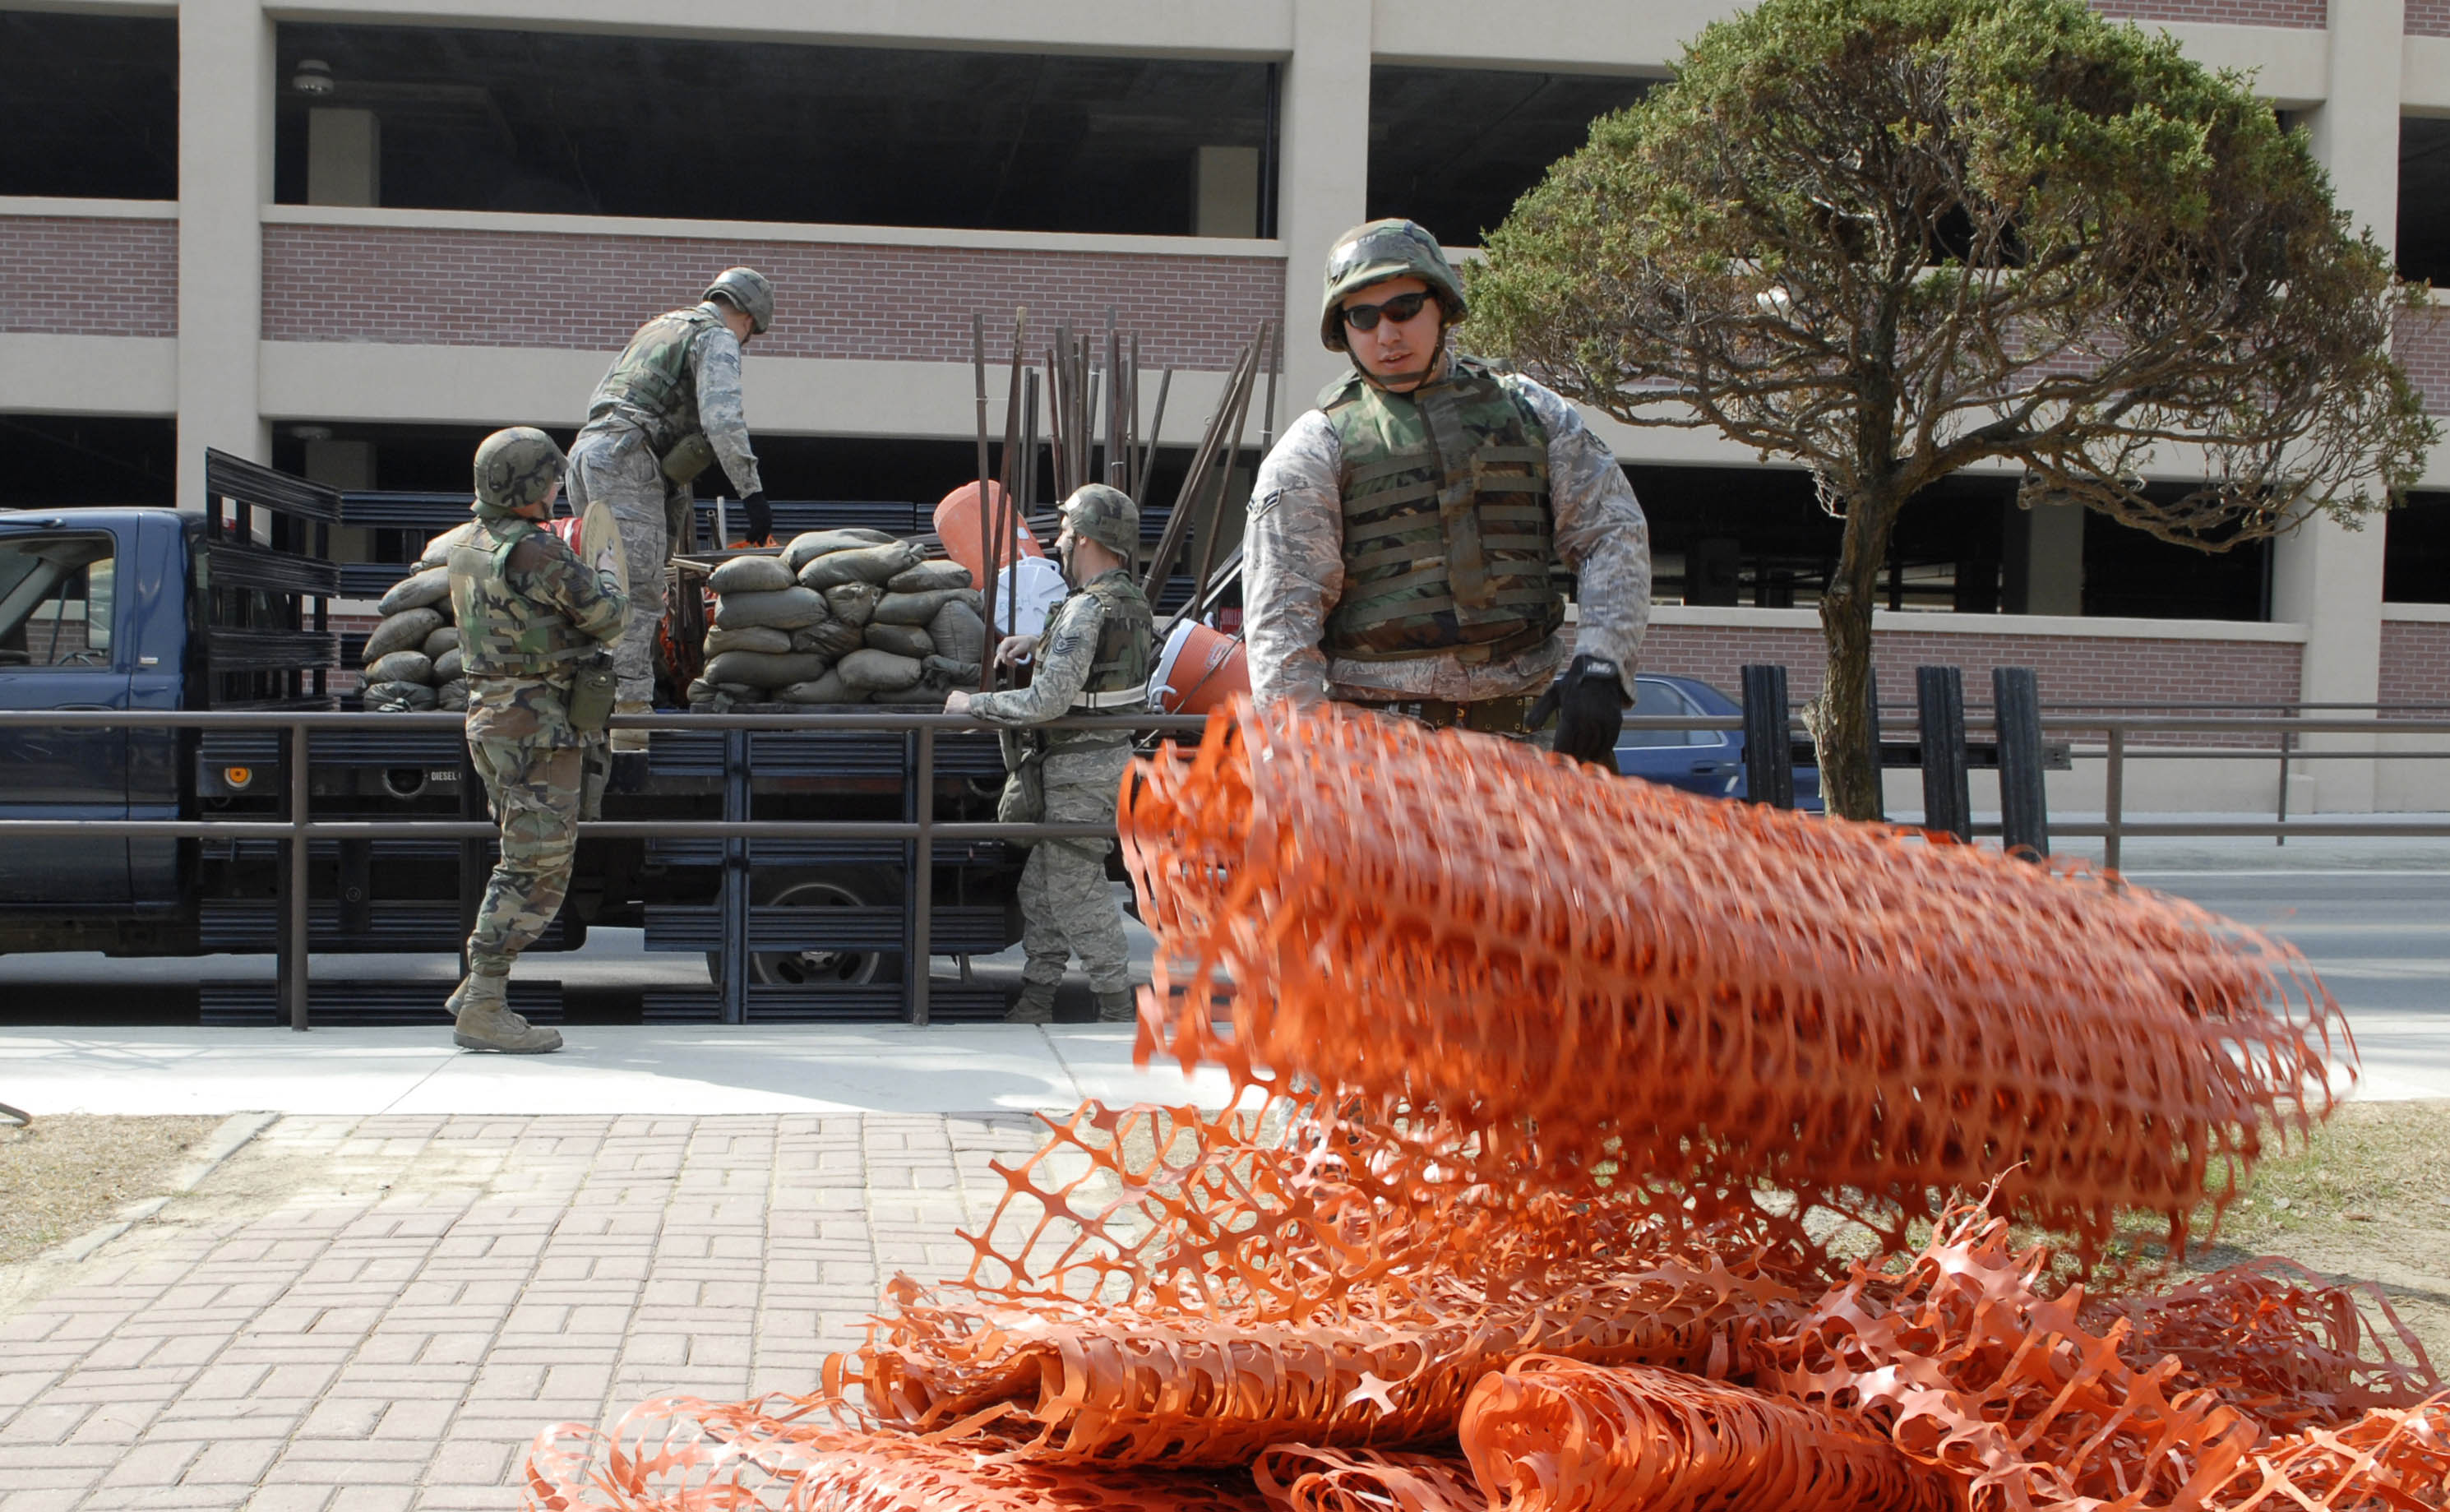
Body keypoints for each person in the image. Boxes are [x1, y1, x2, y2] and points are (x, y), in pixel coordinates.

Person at [1243, 218, 1653, 766]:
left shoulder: (1533, 413)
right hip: (1383, 769)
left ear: (1440, 305)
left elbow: (1612, 530)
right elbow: (1282, 622)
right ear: (1344, 330)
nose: (1386, 334)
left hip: (1526, 754)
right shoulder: (1315, 448)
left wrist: (1602, 666)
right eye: (1362, 317)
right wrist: (1302, 765)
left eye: (1403, 308)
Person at [444, 427, 626, 1053]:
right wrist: (606, 573)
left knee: (518, 855)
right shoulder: (536, 553)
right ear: (524, 487)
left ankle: (476, 988)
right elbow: (608, 616)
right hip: (540, 731)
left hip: (492, 723)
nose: (555, 489)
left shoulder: (466, 544)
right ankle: (486, 1001)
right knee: (536, 867)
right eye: (548, 479)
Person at [945, 484, 1153, 1025]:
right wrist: (1037, 643)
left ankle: (1115, 1006)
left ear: (1084, 538)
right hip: (1100, 763)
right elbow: (1096, 666)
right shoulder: (1128, 600)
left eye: (1064, 530)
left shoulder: (1086, 608)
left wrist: (974, 704)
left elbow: (1049, 700)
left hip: (1080, 774)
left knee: (1077, 891)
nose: (1058, 540)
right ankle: (1036, 998)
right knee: (1040, 888)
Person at [566, 266, 776, 786]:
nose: (746, 341)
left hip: (590, 452)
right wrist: (751, 491)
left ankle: (589, 717)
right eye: (751, 333)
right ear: (748, 317)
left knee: (595, 595)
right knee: (637, 596)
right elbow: (722, 419)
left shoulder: (662, 326)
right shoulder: (717, 336)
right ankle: (632, 734)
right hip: (626, 459)